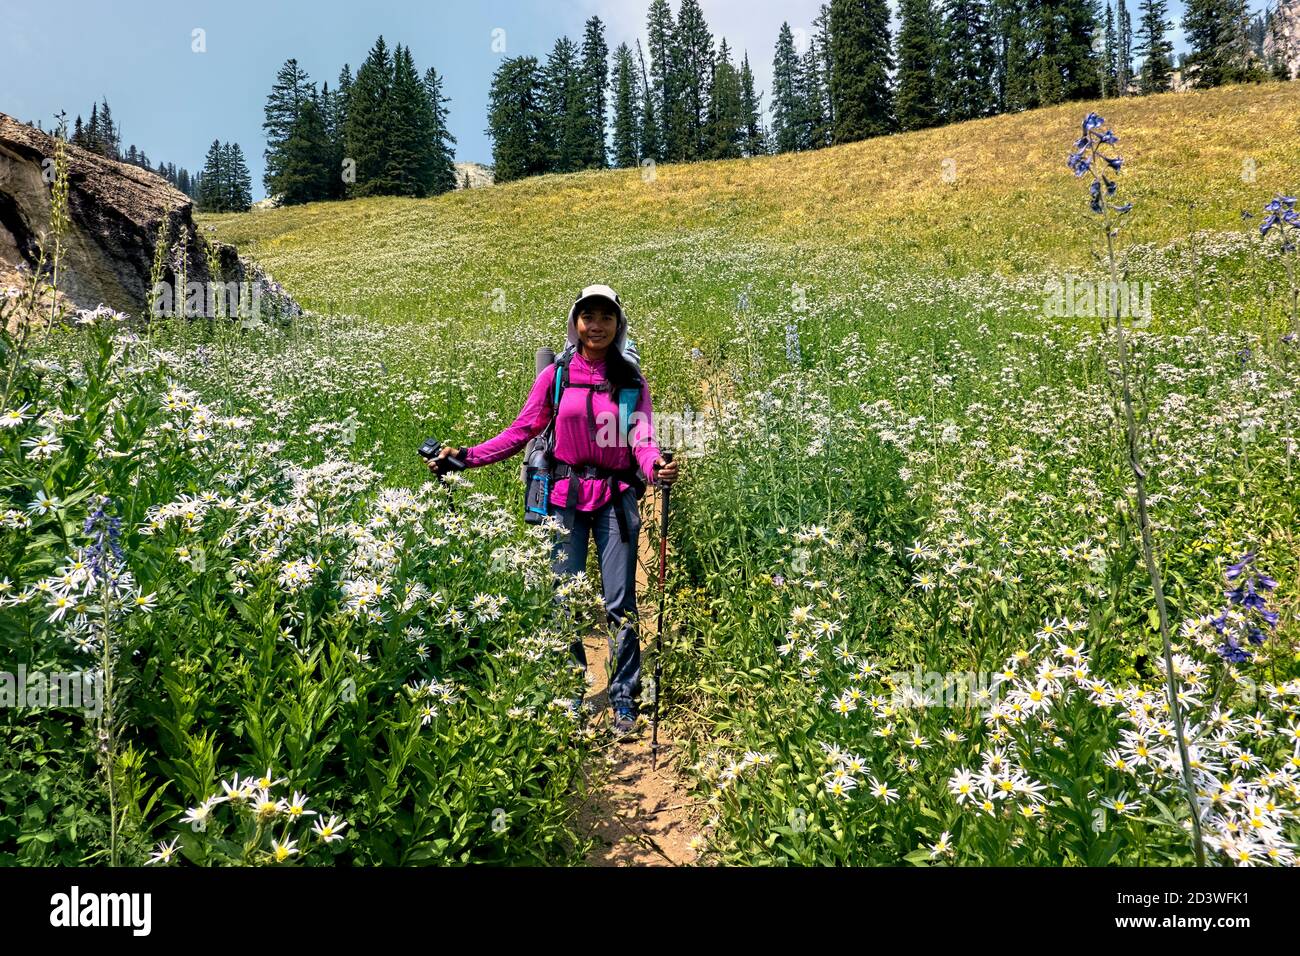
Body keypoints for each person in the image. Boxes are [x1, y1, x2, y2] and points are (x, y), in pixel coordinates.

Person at [429, 284, 679, 737]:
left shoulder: (629, 381)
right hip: (563, 499)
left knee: (620, 601)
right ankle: (570, 693)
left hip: (614, 498)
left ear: (618, 325)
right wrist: (465, 456)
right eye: (588, 316)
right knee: (563, 602)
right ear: (576, 323)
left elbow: (641, 439)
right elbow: (522, 429)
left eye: (606, 317)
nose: (597, 325)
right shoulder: (557, 375)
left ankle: (624, 696)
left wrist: (656, 468)